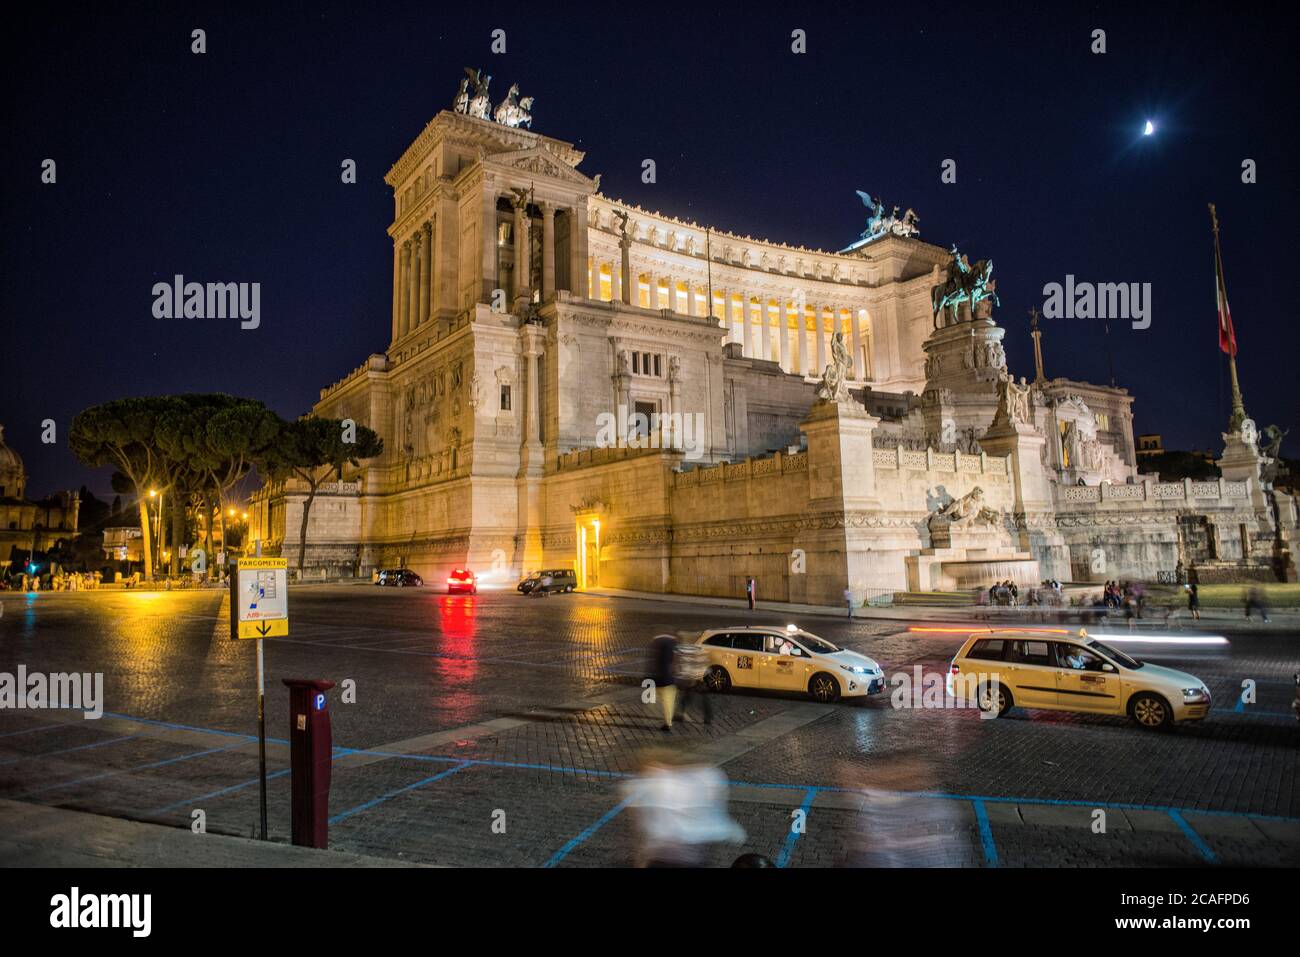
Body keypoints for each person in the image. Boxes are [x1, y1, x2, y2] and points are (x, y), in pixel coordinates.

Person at [674, 633, 712, 725]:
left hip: (691, 678)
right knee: (698, 697)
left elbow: (683, 665)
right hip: (697, 677)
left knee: (687, 697)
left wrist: (683, 675)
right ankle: (708, 717)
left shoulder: (685, 650)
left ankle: (680, 714)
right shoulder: (700, 649)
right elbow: (705, 663)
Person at [649, 633, 679, 731]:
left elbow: (654, 664)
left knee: (664, 701)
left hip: (663, 680)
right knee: (668, 702)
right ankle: (668, 722)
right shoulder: (671, 647)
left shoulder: (659, 645)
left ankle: (667, 721)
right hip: (669, 680)